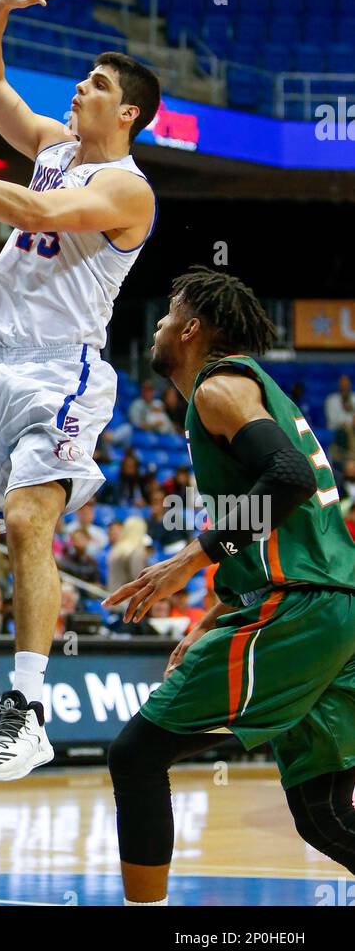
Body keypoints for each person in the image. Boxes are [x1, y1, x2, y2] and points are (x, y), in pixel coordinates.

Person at [0, 0, 160, 807]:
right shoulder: (56, 151)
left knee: (28, 515)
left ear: (126, 112)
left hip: (64, 370)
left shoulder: (125, 185)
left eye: (94, 85)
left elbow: (36, 216)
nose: (78, 89)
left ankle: (26, 710)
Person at [105, 266, 355, 906]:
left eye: (166, 315)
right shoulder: (256, 394)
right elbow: (281, 530)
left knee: (136, 754)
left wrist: (186, 562)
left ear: (191, 329)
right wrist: (209, 620)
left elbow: (288, 477)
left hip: (299, 610)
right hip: (332, 608)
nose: (157, 326)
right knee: (322, 812)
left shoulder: (219, 389)